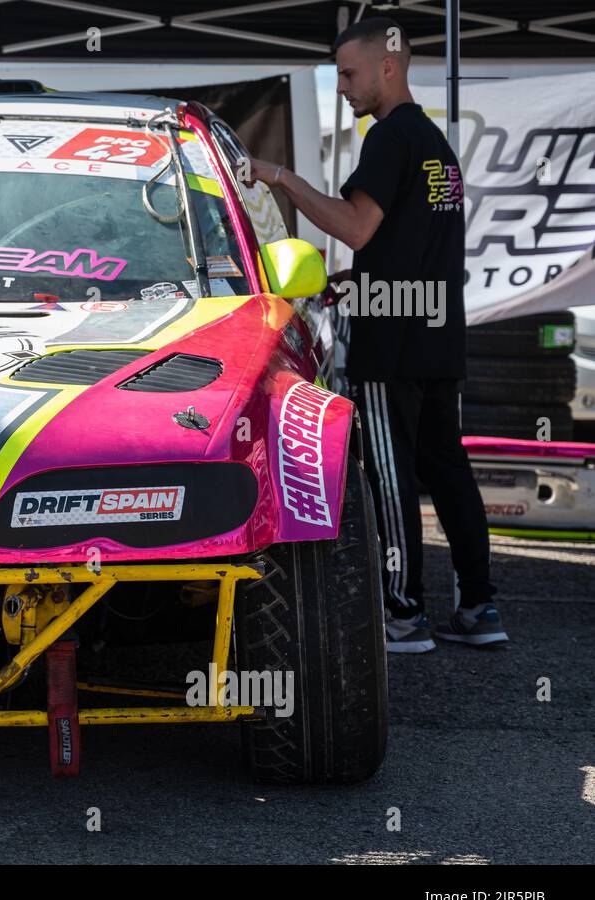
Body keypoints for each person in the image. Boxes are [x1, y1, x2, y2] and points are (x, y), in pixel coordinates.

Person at [246, 16, 505, 653]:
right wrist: (355, 282)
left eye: (348, 73)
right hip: (436, 334)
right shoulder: (433, 141)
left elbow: (357, 227)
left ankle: (403, 613)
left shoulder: (390, 138)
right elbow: (404, 246)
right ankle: (479, 607)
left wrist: (281, 177)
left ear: (388, 65)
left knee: (390, 478)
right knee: (447, 468)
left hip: (394, 345)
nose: (340, 87)